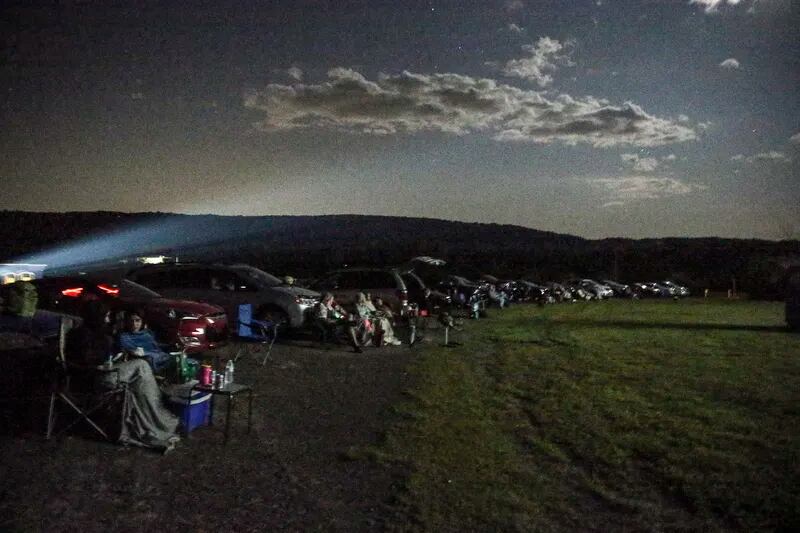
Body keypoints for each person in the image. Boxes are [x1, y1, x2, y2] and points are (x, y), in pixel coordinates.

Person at [66, 300, 180, 453]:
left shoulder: (93, 333)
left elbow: (102, 357)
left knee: (138, 380)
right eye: (105, 316)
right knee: (141, 367)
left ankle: (152, 422)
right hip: (95, 379)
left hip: (104, 373)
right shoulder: (84, 336)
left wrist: (116, 356)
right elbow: (89, 361)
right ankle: (157, 420)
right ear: (96, 317)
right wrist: (107, 356)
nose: (107, 320)